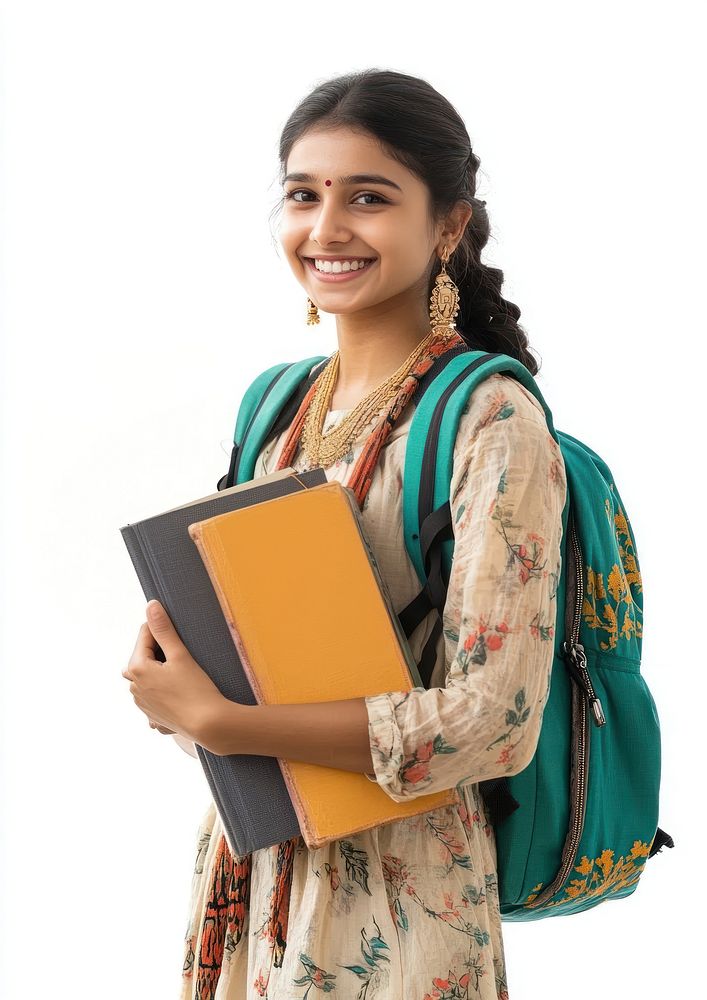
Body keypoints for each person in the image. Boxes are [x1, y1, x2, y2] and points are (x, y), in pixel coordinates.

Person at [124, 68, 567, 999]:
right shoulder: (278, 404)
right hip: (256, 870)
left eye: (367, 198)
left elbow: (493, 724)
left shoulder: (493, 422)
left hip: (401, 899)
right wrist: (178, 682)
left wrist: (226, 722)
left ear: (447, 225)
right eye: (303, 195)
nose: (325, 228)